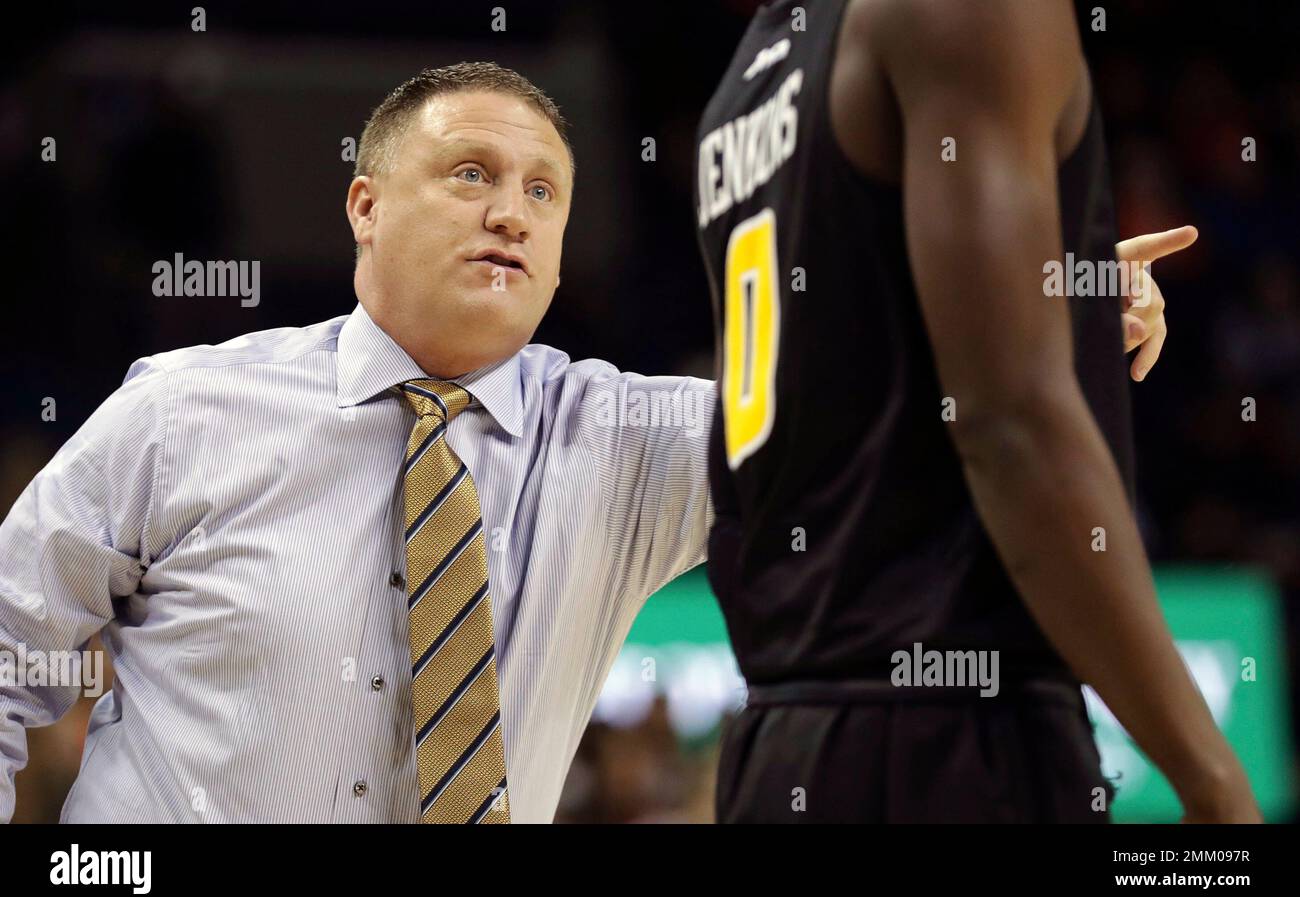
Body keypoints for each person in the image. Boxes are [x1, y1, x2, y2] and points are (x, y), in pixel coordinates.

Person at [0, 62, 712, 824]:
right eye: (473, 175)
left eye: (544, 192)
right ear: (366, 207)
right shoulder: (182, 411)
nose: (513, 213)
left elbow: (836, 426)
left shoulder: (632, 442)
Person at [695, 0, 1259, 822]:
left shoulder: (756, 68)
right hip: (953, 740)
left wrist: (1061, 283)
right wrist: (1213, 782)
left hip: (782, 742)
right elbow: (1010, 425)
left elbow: (863, 342)